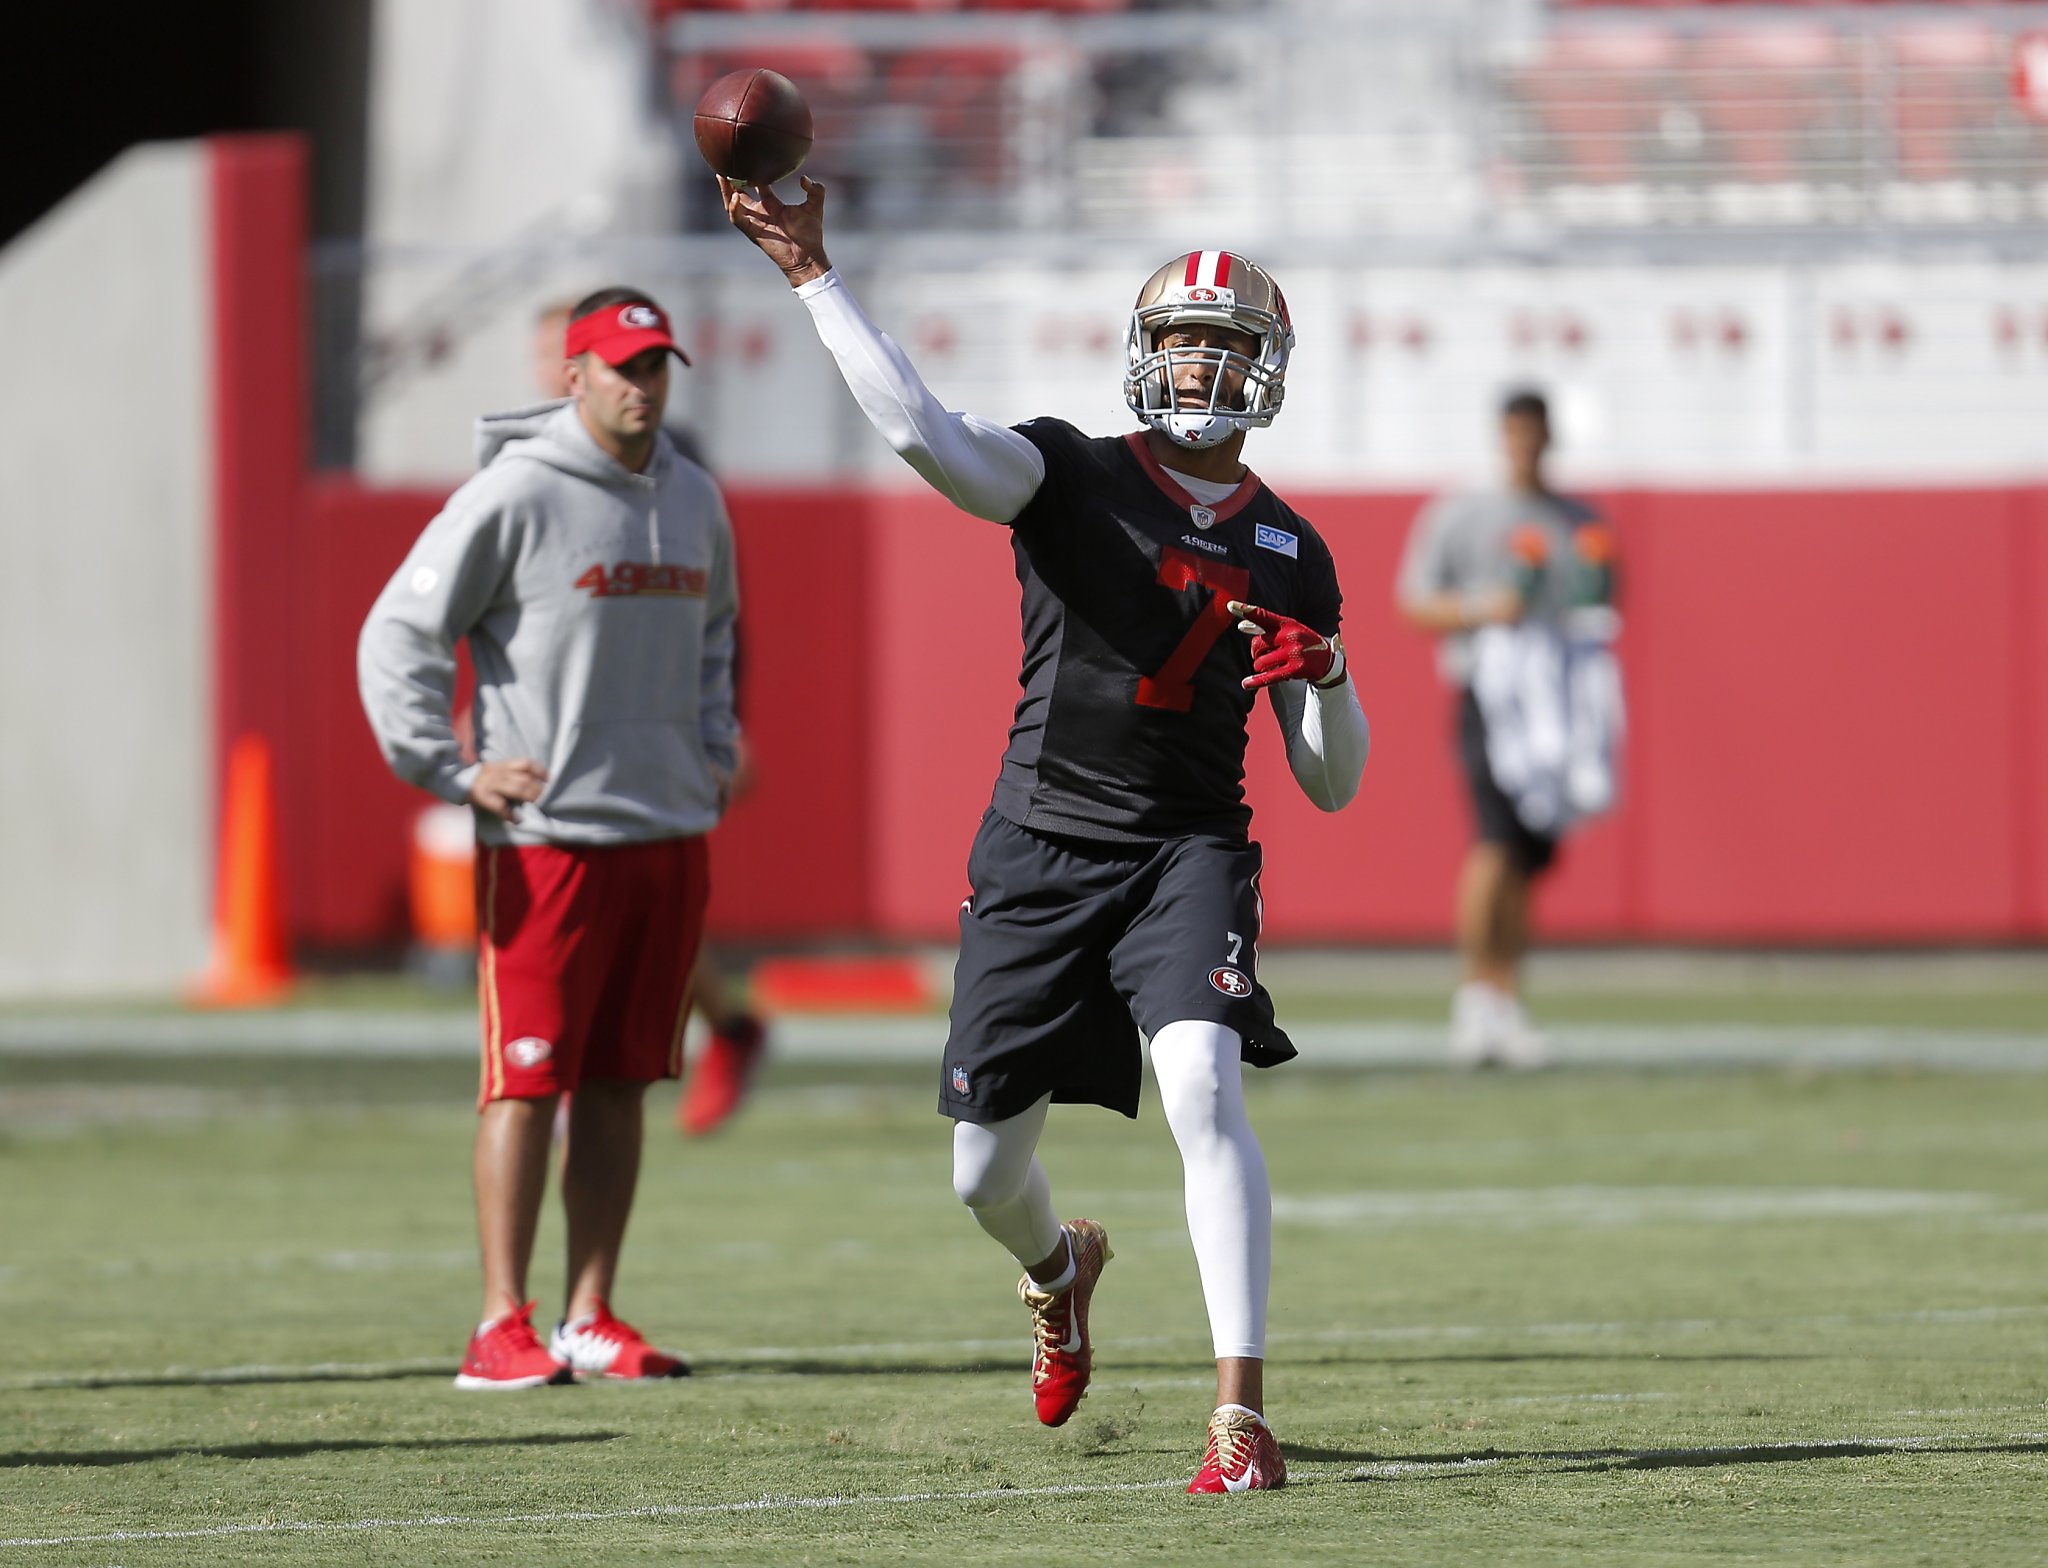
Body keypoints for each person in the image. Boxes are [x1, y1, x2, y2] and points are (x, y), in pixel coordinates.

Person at [723, 177, 1370, 1493]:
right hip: (1039, 847)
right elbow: (920, 432)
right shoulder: (1071, 473)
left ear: (1268, 373)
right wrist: (813, 277)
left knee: (1202, 1085)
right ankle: (1059, 1268)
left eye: (1227, 346)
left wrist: (1332, 676)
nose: (1203, 363)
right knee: (981, 1173)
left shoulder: (1294, 549)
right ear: (1146, 356)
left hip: (1189, 850)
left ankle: (1241, 1417)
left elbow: (1334, 784)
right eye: (1186, 340)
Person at [359, 287, 739, 1387]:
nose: (641, 382)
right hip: (545, 838)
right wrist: (452, 767)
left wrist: (714, 739)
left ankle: (588, 1312)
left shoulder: (697, 496)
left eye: (656, 364)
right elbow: (398, 631)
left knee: (621, 1079)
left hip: (666, 829)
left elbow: (716, 636)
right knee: (524, 1078)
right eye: (620, 364)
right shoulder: (513, 493)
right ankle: (498, 1321)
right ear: (571, 375)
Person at [532, 298, 771, 1138]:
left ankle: (581, 1063)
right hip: (563, 729)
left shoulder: (673, 466)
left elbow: (714, 608)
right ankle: (723, 1028)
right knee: (601, 896)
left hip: (647, 724)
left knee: (627, 899)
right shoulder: (532, 460)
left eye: (645, 364)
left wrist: (725, 723)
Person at [1395, 389, 1607, 1069]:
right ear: (1502, 436)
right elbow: (1416, 603)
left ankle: (1505, 994)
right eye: (1515, 434)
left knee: (1528, 851)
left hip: (1558, 696)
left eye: (1535, 434)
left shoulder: (1577, 520)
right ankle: (1474, 995)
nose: (1525, 446)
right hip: (1490, 690)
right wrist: (1491, 607)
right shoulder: (1464, 512)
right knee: (1494, 839)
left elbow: (1597, 607)